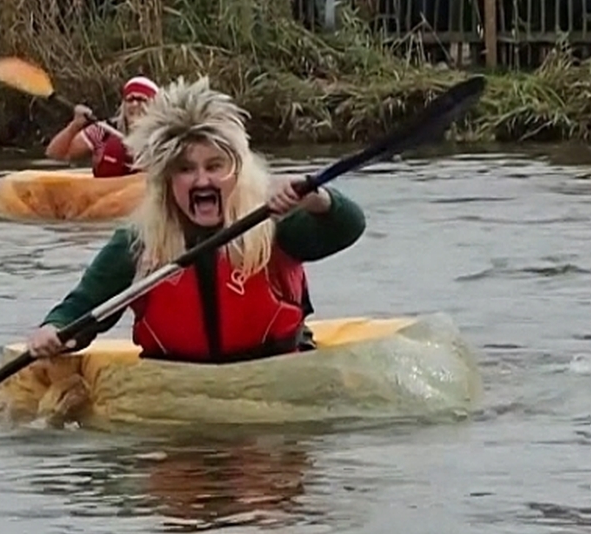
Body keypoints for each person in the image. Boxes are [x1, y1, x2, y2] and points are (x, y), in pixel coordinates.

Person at [26, 77, 367, 364]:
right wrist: (53, 329)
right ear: (166, 182)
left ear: (235, 171)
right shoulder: (139, 242)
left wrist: (316, 198)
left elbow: (347, 227)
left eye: (214, 166)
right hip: (178, 387)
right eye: (186, 169)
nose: (202, 180)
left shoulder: (272, 223)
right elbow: (84, 306)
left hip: (273, 373)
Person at [44, 76, 160, 178]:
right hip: (103, 198)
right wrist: (74, 125)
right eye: (130, 99)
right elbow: (55, 155)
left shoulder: (163, 137)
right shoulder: (103, 131)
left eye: (141, 100)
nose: (134, 104)